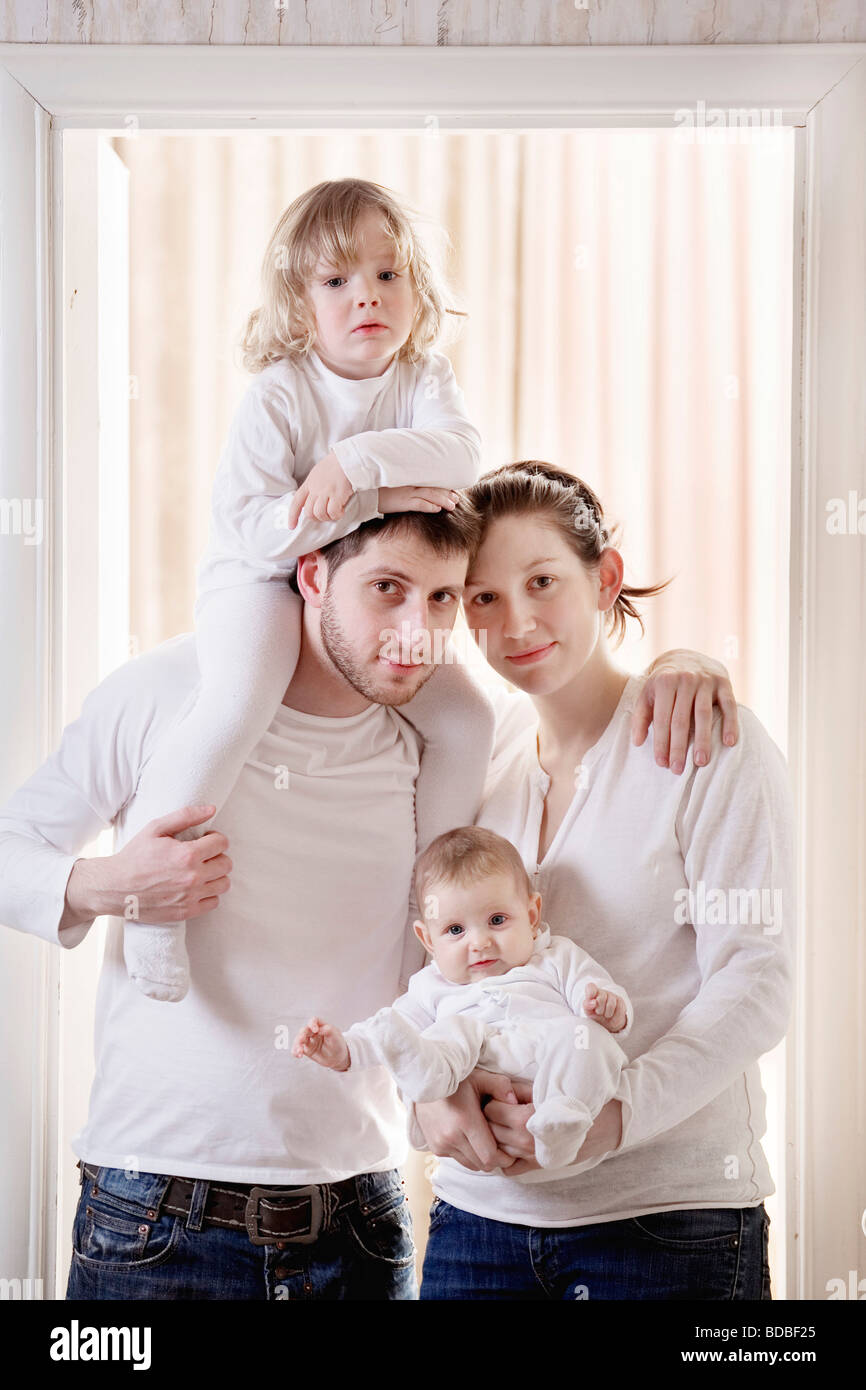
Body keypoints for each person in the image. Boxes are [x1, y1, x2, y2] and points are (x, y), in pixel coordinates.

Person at [0, 491, 738, 1301]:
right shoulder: (164, 694)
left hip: (360, 1217)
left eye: (444, 599)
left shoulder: (446, 742)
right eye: (387, 588)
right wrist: (105, 883)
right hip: (157, 1214)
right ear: (313, 576)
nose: (417, 629)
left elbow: (453, 958)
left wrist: (684, 664)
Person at [411, 460, 795, 1301]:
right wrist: (430, 1101)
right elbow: (431, 964)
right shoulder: (480, 758)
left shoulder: (707, 742)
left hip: (668, 1225)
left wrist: (611, 1119)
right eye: (482, 597)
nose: (516, 622)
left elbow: (757, 983)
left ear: (604, 577)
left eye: (542, 580)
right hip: (478, 1226)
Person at [121, 176, 494, 1002]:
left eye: (389, 275)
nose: (368, 296)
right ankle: (153, 910)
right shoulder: (279, 393)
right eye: (337, 281)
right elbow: (253, 528)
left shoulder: (423, 376)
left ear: (416, 291)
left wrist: (354, 467)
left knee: (467, 717)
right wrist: (373, 502)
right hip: (257, 582)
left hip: (359, 593)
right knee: (237, 702)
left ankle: (428, 924)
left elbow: (460, 457)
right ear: (300, 304)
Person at [293, 825, 632, 1171]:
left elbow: (596, 991)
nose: (479, 942)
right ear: (428, 940)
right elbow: (397, 1034)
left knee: (585, 1037)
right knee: (447, 1031)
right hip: (472, 1064)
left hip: (548, 1061)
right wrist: (344, 1050)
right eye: (455, 930)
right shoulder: (431, 986)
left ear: (531, 916)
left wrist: (609, 1009)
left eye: (497, 920)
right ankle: (429, 1073)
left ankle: (563, 1119)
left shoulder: (555, 957)